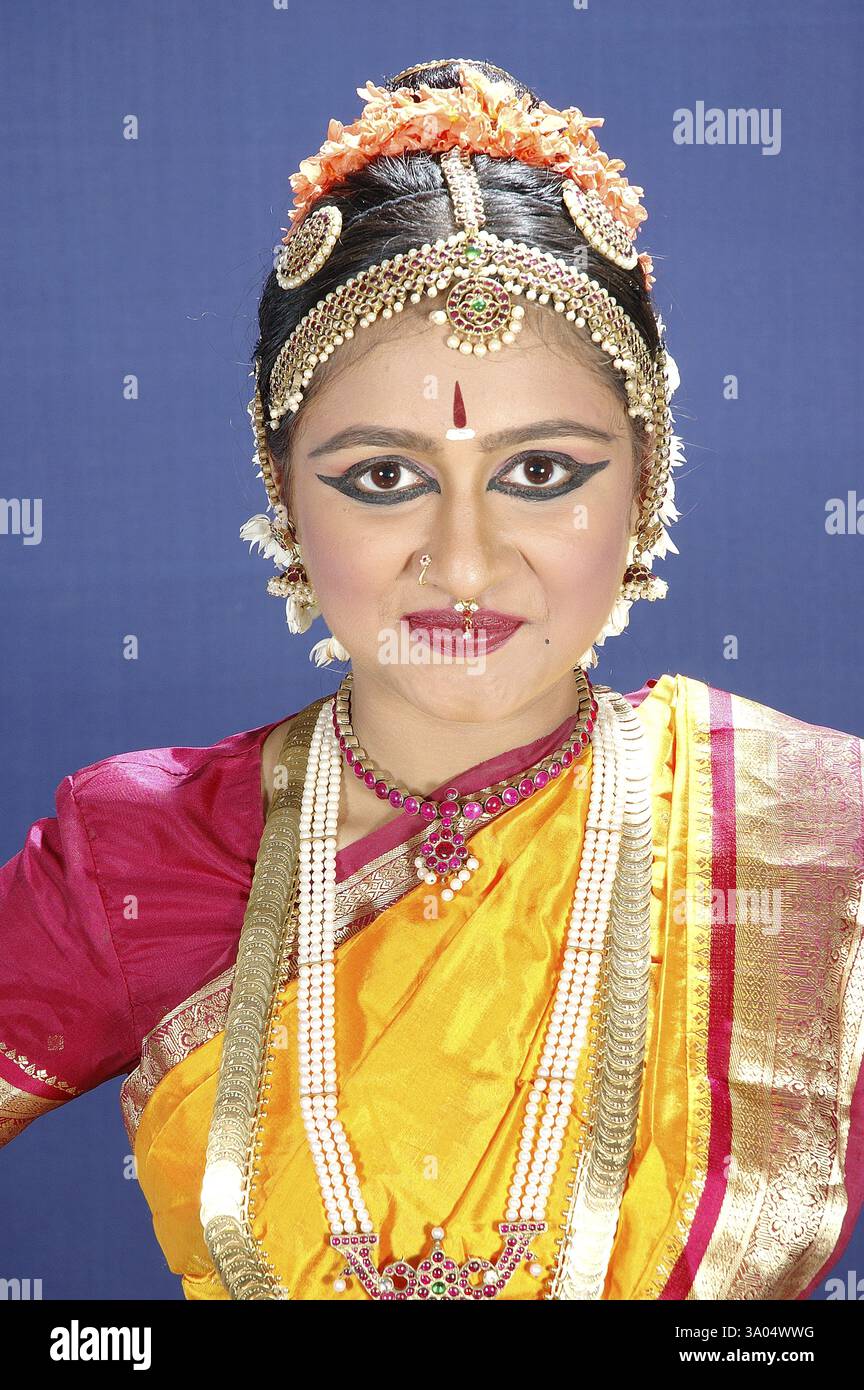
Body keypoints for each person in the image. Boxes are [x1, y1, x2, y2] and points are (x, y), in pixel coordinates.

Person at [2, 57, 862, 1302]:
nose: (463, 563)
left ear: (647, 488)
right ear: (284, 497)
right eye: (384, 479)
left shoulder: (811, 844)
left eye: (544, 472)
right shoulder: (138, 850)